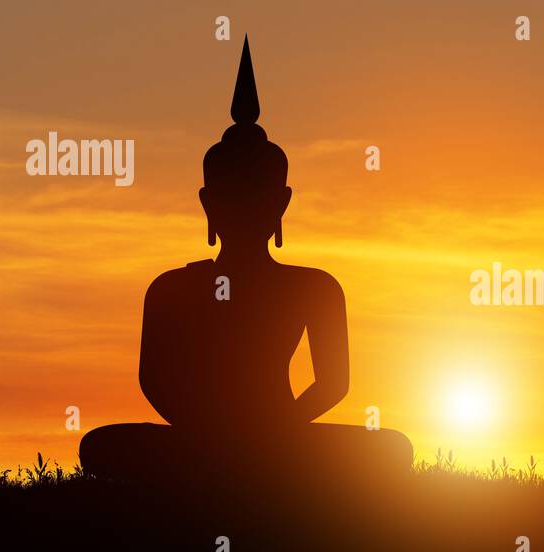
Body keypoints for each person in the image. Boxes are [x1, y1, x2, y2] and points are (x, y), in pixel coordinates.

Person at [79, 37, 412, 487]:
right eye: (234, 197)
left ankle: (235, 463)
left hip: (283, 434)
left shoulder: (315, 287)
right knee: (99, 444)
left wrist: (276, 430)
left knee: (391, 447)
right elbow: (155, 382)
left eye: (256, 196)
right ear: (208, 203)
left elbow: (333, 384)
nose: (245, 208)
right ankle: (239, 463)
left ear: (282, 203)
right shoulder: (172, 288)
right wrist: (208, 432)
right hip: (202, 438)